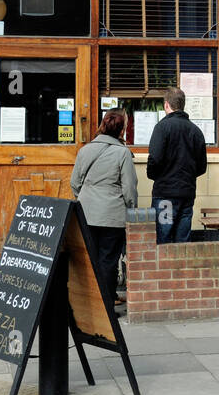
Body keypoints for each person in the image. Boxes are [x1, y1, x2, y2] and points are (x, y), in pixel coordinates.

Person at [71, 108, 138, 301]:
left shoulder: (84, 150)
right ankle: (107, 305)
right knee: (108, 261)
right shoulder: (122, 153)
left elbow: (75, 183)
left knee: (90, 259)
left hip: (86, 214)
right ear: (122, 130)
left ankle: (89, 305)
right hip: (112, 216)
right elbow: (129, 189)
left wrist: (85, 199)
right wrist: (130, 210)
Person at [146, 86, 207, 244]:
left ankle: (165, 270)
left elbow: (154, 160)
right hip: (187, 194)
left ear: (167, 105)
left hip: (165, 196)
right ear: (182, 105)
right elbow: (202, 167)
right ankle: (180, 269)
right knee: (182, 242)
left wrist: (155, 176)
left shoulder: (162, 128)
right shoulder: (196, 131)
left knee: (163, 239)